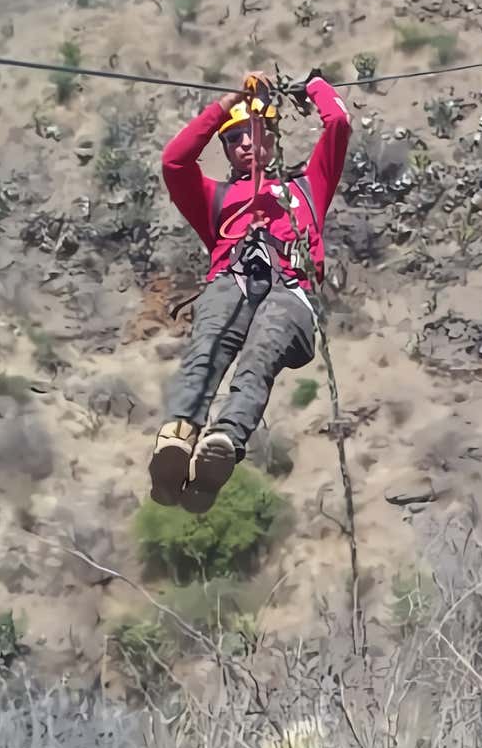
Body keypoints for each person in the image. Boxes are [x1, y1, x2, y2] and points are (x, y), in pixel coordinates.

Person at [150, 68, 350, 514]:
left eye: (253, 132)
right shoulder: (215, 198)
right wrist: (226, 102)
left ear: (273, 136)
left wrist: (310, 85)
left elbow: (338, 124)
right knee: (209, 344)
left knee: (260, 354)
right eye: (232, 138)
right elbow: (174, 162)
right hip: (233, 279)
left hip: (291, 291)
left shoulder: (307, 187)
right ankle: (178, 439)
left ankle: (222, 440)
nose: (243, 143)